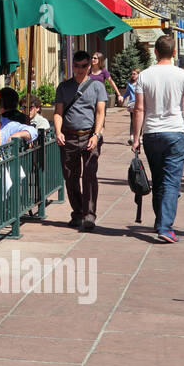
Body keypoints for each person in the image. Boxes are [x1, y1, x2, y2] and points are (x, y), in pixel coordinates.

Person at [131, 34, 184, 243]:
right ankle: (165, 227)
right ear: (174, 53)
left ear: (155, 52)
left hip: (151, 133)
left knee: (158, 180)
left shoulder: (144, 76)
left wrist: (135, 136)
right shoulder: (182, 75)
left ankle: (160, 222)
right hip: (174, 133)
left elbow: (139, 108)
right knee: (171, 181)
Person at [53, 50, 108, 232]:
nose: (80, 70)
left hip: (89, 136)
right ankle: (78, 213)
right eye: (76, 66)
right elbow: (58, 112)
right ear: (72, 66)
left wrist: (96, 135)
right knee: (70, 177)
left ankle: (89, 215)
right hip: (68, 136)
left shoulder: (97, 86)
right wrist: (58, 131)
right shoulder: (63, 87)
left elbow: (100, 113)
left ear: (89, 66)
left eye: (84, 66)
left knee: (90, 175)